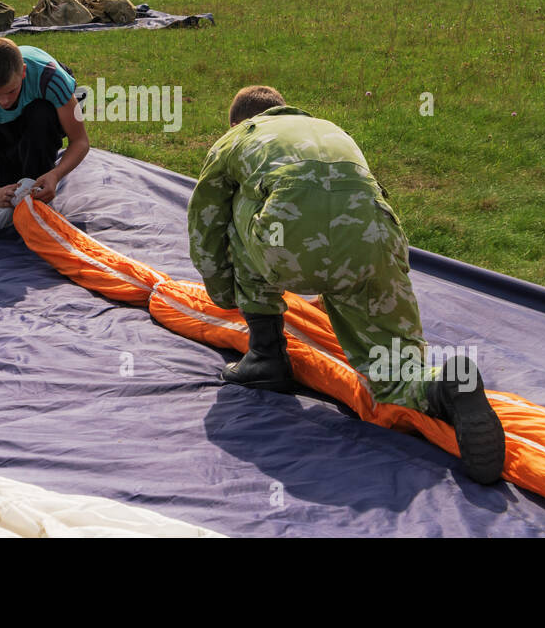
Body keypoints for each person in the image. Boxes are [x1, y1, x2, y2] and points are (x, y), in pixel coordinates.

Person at [186, 85, 505, 484]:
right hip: (374, 247)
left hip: (284, 250)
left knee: (236, 207)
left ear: (239, 121)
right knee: (392, 371)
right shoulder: (332, 130)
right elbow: (356, 207)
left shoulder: (239, 138)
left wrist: (223, 294)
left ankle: (266, 356)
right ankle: (442, 387)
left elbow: (205, 222)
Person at [0, 38, 90, 208]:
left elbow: (80, 141)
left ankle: (40, 168)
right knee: (3, 195)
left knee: (40, 119)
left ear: (24, 72)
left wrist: (55, 174)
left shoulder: (50, 78)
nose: (4, 101)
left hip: (44, 110)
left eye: (11, 91)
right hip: (1, 123)